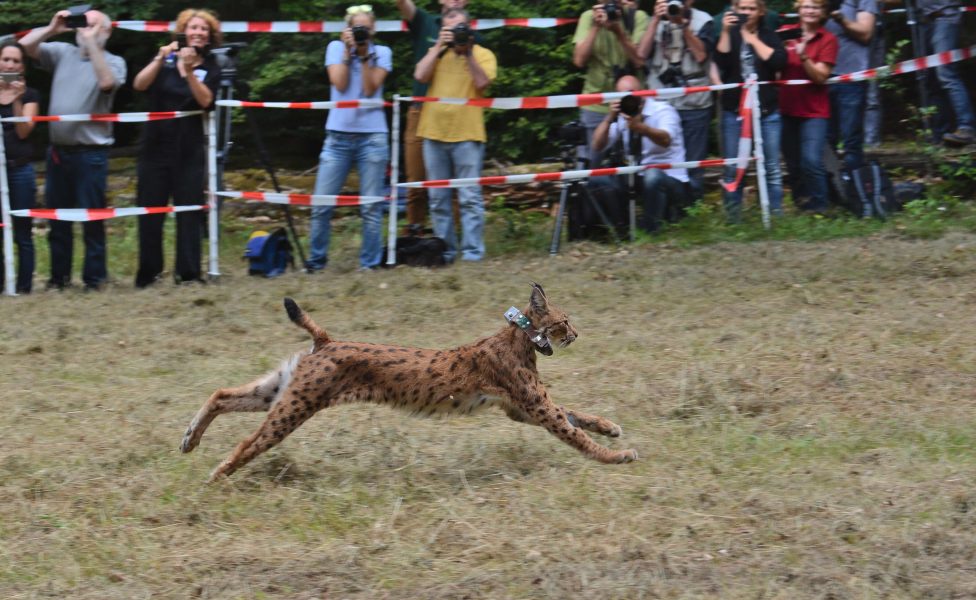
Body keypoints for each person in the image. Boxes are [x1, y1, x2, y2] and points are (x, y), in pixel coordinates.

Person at [19, 9, 126, 291]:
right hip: (58, 153)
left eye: (92, 27)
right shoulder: (63, 52)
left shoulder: (114, 62)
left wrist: (91, 43)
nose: (84, 31)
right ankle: (59, 278)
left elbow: (106, 84)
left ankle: (94, 279)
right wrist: (53, 27)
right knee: (58, 220)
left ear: (107, 31)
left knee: (92, 219)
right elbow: (27, 47)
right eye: (81, 27)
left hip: (90, 154)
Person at [131, 9, 222, 288]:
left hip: (189, 150)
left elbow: (206, 101)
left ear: (210, 36)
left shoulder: (213, 64)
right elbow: (139, 84)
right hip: (155, 149)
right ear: (183, 32)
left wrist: (191, 72)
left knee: (189, 213)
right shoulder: (166, 60)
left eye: (204, 29)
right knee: (150, 213)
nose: (198, 32)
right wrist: (160, 57)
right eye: (193, 28)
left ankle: (189, 273)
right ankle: (149, 274)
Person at [306, 5, 392, 272]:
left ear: (373, 29)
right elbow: (339, 84)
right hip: (338, 136)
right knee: (321, 202)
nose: (361, 33)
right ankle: (316, 262)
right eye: (357, 28)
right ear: (346, 30)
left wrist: (365, 56)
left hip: (373, 137)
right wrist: (347, 51)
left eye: (365, 29)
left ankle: (369, 264)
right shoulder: (335, 48)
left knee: (371, 207)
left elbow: (368, 89)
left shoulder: (384, 53)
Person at [414, 8, 496, 263]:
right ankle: (445, 252)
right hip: (433, 132)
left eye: (461, 28)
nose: (457, 33)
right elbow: (419, 75)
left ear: (470, 29)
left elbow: (482, 84)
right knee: (438, 199)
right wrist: (439, 44)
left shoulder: (483, 54)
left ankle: (472, 253)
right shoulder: (436, 54)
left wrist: (468, 51)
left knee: (469, 197)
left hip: (467, 134)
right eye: (451, 28)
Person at [396, 0, 469, 231]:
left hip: (457, 113)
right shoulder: (426, 21)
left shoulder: (469, 30)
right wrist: (440, 43)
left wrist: (461, 42)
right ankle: (415, 236)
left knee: (456, 184)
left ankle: (452, 238)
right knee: (415, 181)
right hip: (421, 109)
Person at [714, 0, 787, 221]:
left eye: (752, 9)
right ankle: (733, 220)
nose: (747, 13)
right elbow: (721, 63)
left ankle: (776, 218)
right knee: (733, 167)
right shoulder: (730, 33)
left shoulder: (768, 34)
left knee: (772, 166)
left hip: (767, 111)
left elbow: (779, 61)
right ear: (735, 10)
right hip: (734, 111)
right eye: (742, 9)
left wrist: (752, 39)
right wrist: (726, 32)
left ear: (761, 11)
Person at [590, 75, 689, 234]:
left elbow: (665, 139)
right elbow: (597, 145)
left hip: (671, 178)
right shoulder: (624, 117)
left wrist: (641, 128)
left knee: (652, 175)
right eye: (622, 96)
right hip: (637, 176)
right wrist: (609, 118)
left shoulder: (663, 110)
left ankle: (650, 231)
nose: (628, 99)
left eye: (631, 93)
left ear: (642, 92)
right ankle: (622, 230)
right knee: (598, 179)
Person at [637, 0, 715, 202]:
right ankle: (662, 207)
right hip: (661, 100)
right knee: (659, 155)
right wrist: (655, 20)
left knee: (693, 161)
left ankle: (692, 208)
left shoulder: (703, 20)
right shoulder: (653, 21)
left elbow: (700, 55)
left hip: (694, 101)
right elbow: (640, 56)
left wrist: (682, 25)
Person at [572, 1, 650, 167]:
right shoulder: (588, 17)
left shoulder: (637, 17)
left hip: (631, 103)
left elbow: (638, 61)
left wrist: (618, 32)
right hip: (596, 102)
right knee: (593, 162)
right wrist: (595, 27)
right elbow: (579, 60)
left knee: (635, 162)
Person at [779, 0, 838, 213]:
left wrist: (803, 56)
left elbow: (821, 77)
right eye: (806, 6)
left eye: (816, 7)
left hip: (814, 111)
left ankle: (821, 206)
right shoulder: (784, 33)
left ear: (823, 13)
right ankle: (802, 203)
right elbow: (774, 67)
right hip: (786, 109)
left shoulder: (828, 39)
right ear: (798, 9)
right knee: (793, 164)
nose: (810, 11)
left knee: (811, 160)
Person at [0, 41, 40, 294]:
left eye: (15, 61)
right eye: (6, 59)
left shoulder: (31, 95)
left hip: (20, 170)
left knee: (23, 233)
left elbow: (24, 131)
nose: (10, 64)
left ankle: (24, 287)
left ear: (22, 67)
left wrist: (16, 99)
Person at [825, 0, 878, 170]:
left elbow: (866, 33)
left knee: (851, 140)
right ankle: (831, 189)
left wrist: (841, 19)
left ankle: (856, 190)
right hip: (821, 74)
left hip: (850, 75)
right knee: (825, 140)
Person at [917, 0, 975, 146]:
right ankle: (939, 134)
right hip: (926, 21)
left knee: (946, 74)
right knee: (930, 79)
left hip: (945, 18)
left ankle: (966, 127)